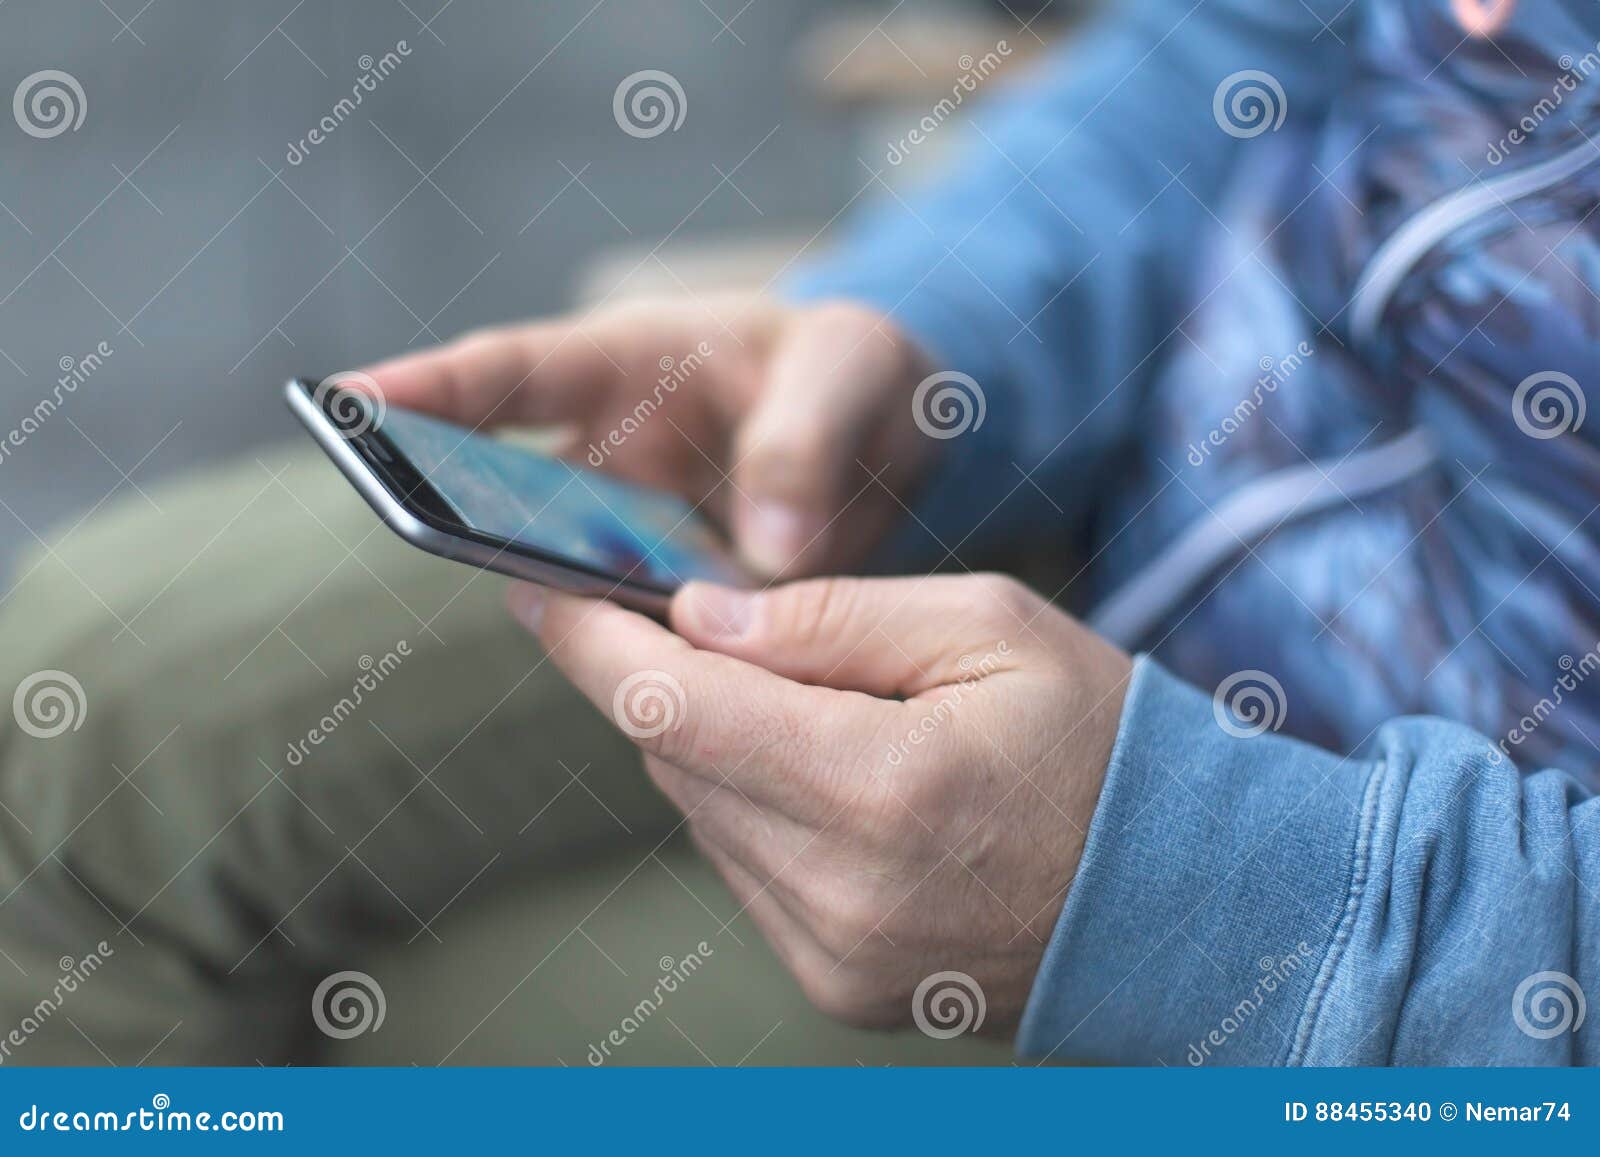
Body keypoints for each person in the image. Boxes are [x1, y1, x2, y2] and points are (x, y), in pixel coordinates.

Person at [1, 0, 1595, 1066]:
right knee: (92, 693)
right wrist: (923, 341)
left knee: (417, 1017)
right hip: (1111, 502)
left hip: (1407, 932)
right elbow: (1234, 49)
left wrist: (1239, 898)